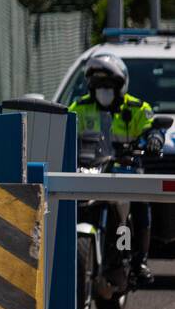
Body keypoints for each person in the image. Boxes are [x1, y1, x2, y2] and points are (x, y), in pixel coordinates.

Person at [68, 53, 159, 287]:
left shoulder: (137, 108)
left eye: (109, 85)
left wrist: (154, 140)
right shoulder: (80, 107)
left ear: (121, 85)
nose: (104, 90)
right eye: (99, 85)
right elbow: (64, 131)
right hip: (92, 171)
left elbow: (152, 129)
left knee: (140, 205)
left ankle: (138, 260)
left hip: (127, 173)